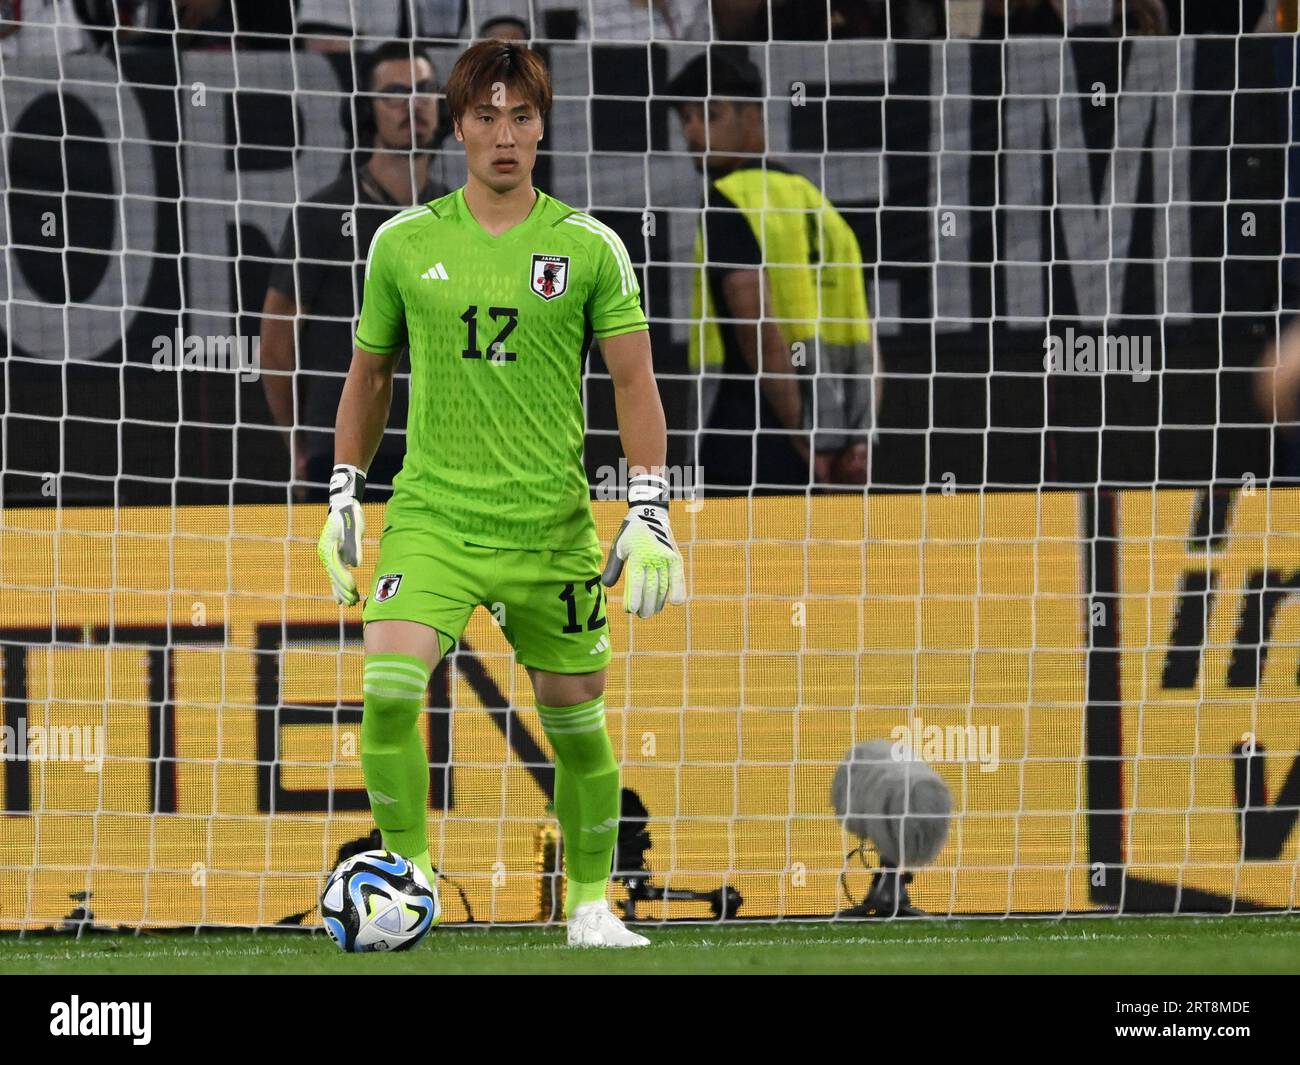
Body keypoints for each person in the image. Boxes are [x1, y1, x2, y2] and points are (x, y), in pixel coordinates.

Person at [315, 40, 686, 946]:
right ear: (459, 124)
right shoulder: (403, 242)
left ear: (542, 124)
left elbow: (635, 382)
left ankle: (591, 904)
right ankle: (412, 886)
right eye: (486, 115)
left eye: (522, 115)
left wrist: (648, 508)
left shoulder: (587, 246)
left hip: (549, 527)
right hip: (434, 519)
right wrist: (341, 490)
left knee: (579, 726)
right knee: (391, 695)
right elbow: (368, 379)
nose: (504, 133)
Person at [668, 48, 875, 489]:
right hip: (834, 449)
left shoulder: (728, 200)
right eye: (684, 118)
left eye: (710, 114)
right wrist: (857, 441)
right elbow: (864, 340)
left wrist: (804, 441)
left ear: (753, 117)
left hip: (749, 442)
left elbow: (757, 328)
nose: (692, 130)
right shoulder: (819, 205)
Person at [261, 42, 446, 500]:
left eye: (423, 90)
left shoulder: (457, 214)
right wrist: (294, 443)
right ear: (367, 112)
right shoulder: (323, 214)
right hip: (350, 451)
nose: (412, 105)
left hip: (446, 450)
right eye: (395, 93)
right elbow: (276, 340)